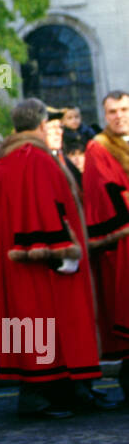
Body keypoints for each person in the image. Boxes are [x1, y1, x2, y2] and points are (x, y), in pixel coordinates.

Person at [0, 98, 102, 417]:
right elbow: (43, 207)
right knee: (47, 323)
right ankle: (45, 394)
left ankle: (60, 390)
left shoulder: (7, 160)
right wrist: (61, 249)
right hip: (42, 260)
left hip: (18, 260)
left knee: (32, 326)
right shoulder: (34, 157)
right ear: (39, 123)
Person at [82, 90, 129, 405]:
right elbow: (104, 194)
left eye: (124, 109)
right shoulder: (98, 148)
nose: (118, 115)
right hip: (123, 246)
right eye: (112, 111)